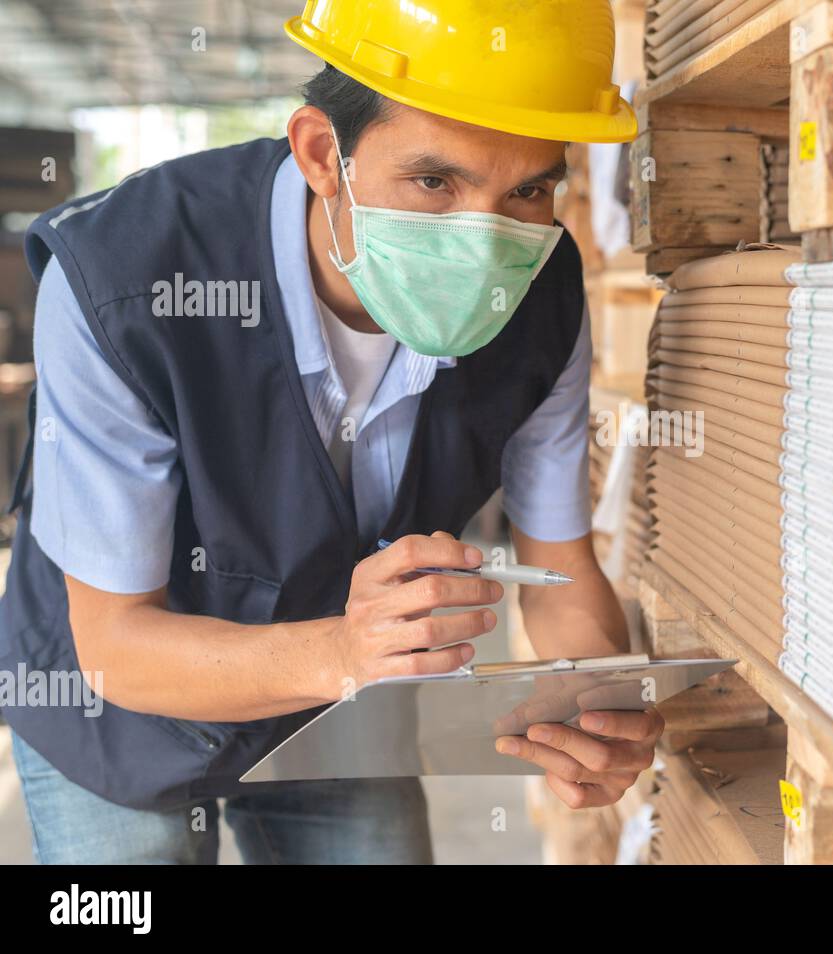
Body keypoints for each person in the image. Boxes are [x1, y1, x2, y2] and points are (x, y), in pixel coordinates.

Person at [0, 0, 659, 864]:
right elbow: (118, 646)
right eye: (435, 182)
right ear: (322, 153)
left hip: (343, 702)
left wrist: (592, 701)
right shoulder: (120, 282)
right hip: (120, 709)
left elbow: (561, 568)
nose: (481, 242)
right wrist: (347, 650)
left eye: (529, 189)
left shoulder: (544, 293)